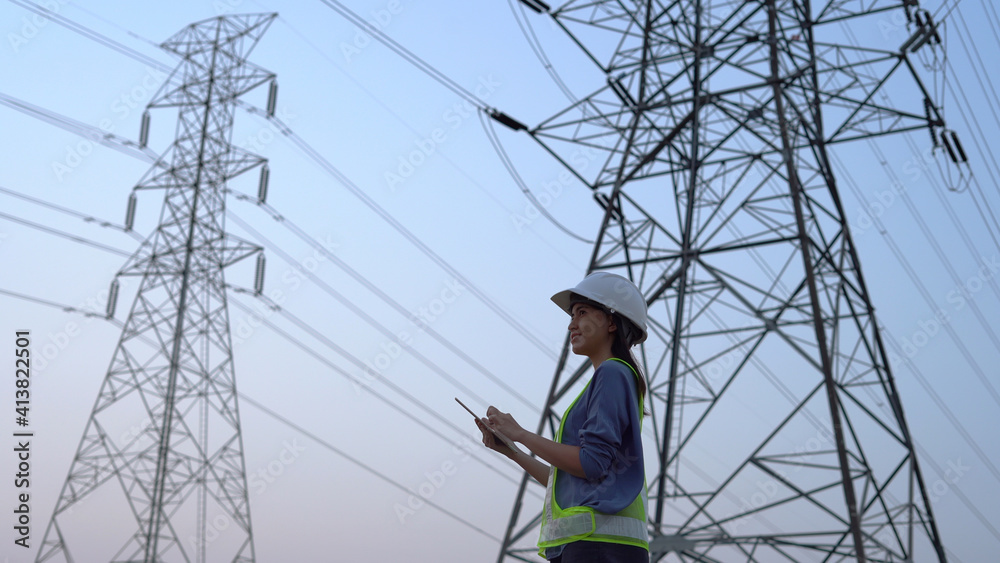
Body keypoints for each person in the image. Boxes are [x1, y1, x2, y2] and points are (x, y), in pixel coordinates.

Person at [477, 271, 649, 562]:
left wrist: (520, 433)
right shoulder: (611, 379)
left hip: (599, 548)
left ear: (610, 321)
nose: (571, 324)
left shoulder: (612, 373)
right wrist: (513, 451)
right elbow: (570, 480)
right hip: (600, 547)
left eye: (581, 313)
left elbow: (590, 464)